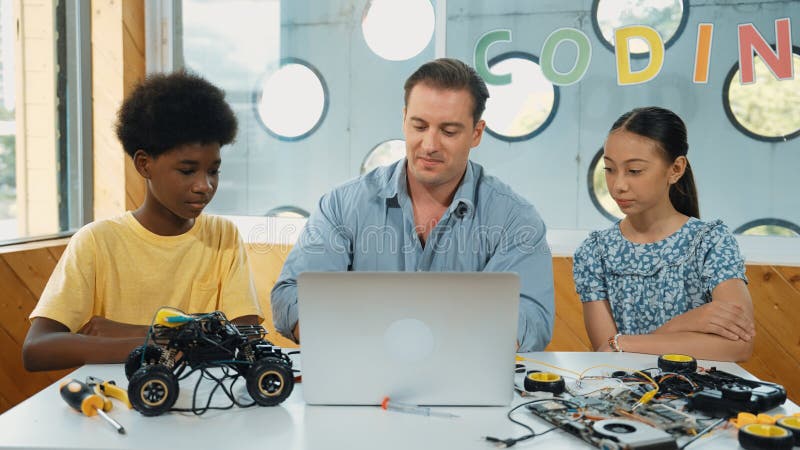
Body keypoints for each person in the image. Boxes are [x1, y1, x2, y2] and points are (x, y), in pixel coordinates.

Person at [271, 58, 554, 352]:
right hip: (361, 377)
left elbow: (531, 318)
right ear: (404, 119)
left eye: (448, 131)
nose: (429, 144)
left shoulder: (515, 220)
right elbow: (291, 296)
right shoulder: (342, 206)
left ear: (476, 133)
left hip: (465, 385)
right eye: (419, 125)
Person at [22, 72, 262, 371]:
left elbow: (246, 340)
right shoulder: (97, 241)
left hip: (204, 402)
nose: (205, 185)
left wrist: (132, 332)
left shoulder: (223, 236)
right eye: (188, 171)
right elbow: (36, 350)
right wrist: (160, 343)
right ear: (144, 164)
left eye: (213, 170)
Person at [573, 106, 754, 361]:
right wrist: (688, 322)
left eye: (634, 170)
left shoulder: (710, 241)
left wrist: (624, 342)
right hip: (625, 396)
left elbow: (739, 345)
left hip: (701, 397)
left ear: (676, 169)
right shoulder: (595, 252)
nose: (618, 185)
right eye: (610, 169)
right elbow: (608, 356)